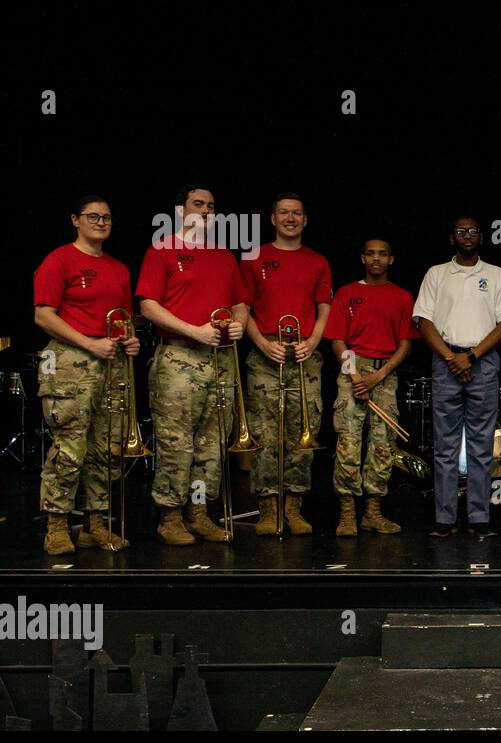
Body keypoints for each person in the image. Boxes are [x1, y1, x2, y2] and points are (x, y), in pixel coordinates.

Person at [137, 184, 249, 545]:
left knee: (211, 445)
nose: (204, 211)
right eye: (197, 204)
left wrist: (239, 324)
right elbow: (147, 306)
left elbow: (240, 303)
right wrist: (193, 331)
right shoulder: (162, 250)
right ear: (181, 211)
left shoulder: (224, 256)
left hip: (220, 360)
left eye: (211, 206)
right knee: (176, 442)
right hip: (179, 357)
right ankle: (170, 517)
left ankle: (198, 513)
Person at [33, 195, 140, 554]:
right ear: (75, 220)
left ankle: (95, 524)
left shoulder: (119, 268)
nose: (101, 222)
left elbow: (124, 317)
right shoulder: (59, 259)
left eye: (107, 217)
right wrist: (90, 344)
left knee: (105, 449)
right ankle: (57, 525)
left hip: (111, 362)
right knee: (69, 448)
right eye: (93, 216)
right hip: (69, 363)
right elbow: (44, 316)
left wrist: (131, 340)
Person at [413, 216, 501, 538]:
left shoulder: (496, 275)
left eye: (473, 230)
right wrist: (451, 357)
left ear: (481, 237)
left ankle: (478, 519)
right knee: (444, 446)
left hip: (482, 362)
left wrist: (471, 356)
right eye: (461, 231)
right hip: (446, 362)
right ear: (452, 237)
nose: (467, 235)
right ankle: (444, 520)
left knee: (481, 445)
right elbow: (424, 321)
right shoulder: (436, 273)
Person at [239, 192, 332, 536]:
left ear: (305, 220)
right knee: (265, 434)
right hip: (266, 358)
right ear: (273, 219)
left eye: (297, 213)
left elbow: (324, 308)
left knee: (302, 434)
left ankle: (293, 507)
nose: (290, 218)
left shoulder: (318, 261)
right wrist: (263, 343)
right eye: (283, 213)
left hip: (305, 357)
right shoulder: (253, 258)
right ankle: (268, 508)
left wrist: (313, 341)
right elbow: (242, 309)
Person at [323, 238, 417, 535]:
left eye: (383, 254)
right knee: (348, 442)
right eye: (371, 254)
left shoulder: (402, 296)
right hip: (352, 370)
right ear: (363, 258)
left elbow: (405, 345)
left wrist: (379, 376)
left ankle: (372, 512)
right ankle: (348, 514)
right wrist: (354, 377)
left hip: (385, 373)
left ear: (391, 260)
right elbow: (338, 340)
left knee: (383, 444)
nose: (377, 259)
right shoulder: (347, 293)